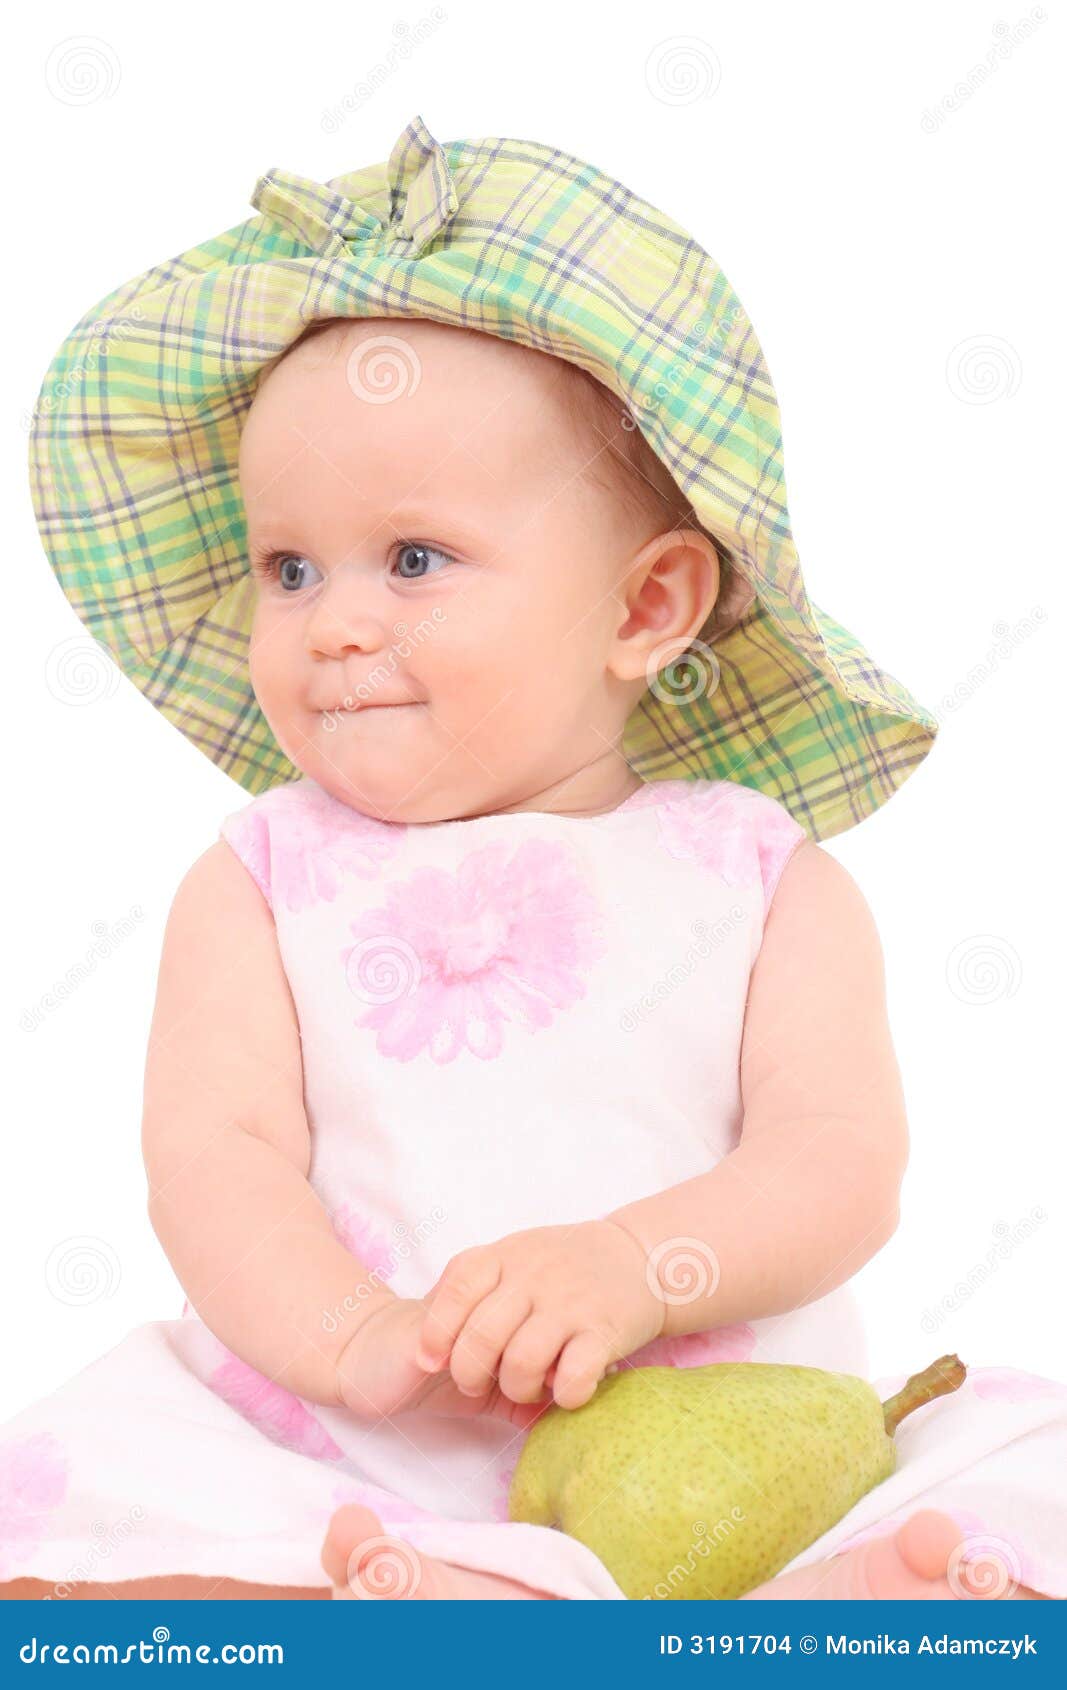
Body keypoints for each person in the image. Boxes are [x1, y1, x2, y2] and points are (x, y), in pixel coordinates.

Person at [5, 117, 1064, 1602]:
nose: (335, 622)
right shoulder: (259, 879)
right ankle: (377, 1581)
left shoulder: (766, 885)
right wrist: (353, 1339)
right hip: (344, 1449)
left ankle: (845, 1587)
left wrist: (639, 1263)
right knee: (99, 1485)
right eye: (287, 566)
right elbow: (214, 1157)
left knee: (1018, 1449)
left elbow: (837, 1162)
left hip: (728, 1456)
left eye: (415, 558)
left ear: (648, 609)